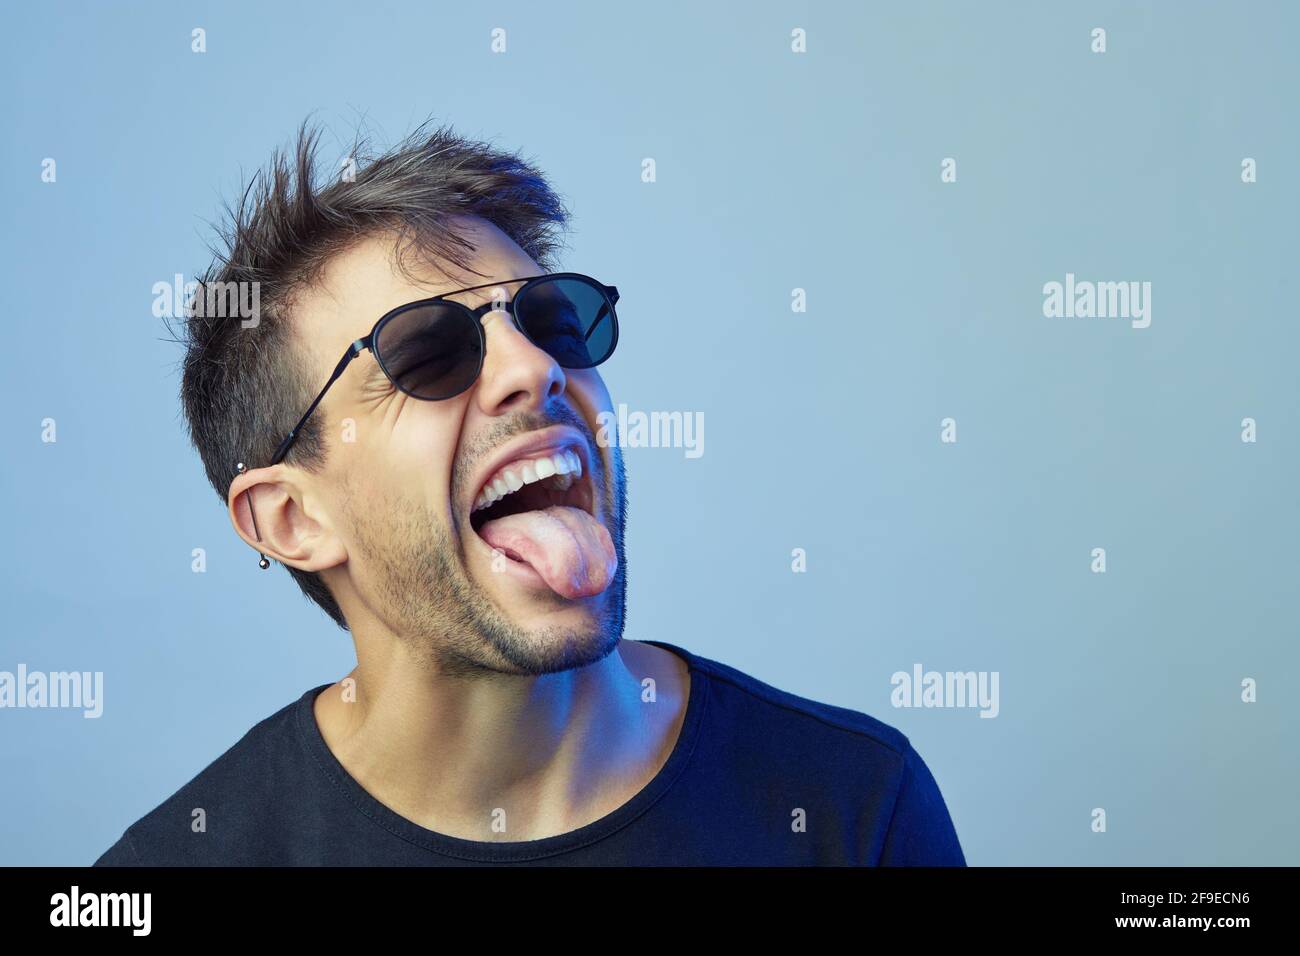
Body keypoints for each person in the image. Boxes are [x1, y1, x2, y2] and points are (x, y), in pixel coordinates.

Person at [94, 121, 965, 866]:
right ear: (292, 518)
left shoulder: (852, 809)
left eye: (550, 320)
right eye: (427, 354)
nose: (536, 367)